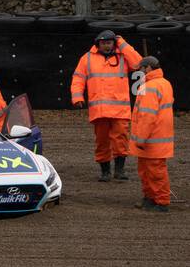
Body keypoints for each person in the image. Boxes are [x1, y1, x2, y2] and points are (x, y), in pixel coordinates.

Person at [70, 29, 143, 181]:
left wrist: (122, 43)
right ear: (98, 44)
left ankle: (119, 171)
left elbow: (138, 63)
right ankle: (105, 172)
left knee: (121, 139)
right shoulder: (87, 58)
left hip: (120, 109)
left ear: (114, 43)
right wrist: (77, 97)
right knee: (102, 141)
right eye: (103, 43)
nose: (106, 46)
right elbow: (78, 78)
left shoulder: (123, 56)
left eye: (109, 42)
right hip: (100, 110)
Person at [130, 56, 175, 212]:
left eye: (141, 68)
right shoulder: (165, 84)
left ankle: (161, 201)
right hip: (157, 138)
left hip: (151, 139)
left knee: (155, 172)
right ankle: (151, 198)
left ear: (148, 68)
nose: (139, 71)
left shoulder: (149, 87)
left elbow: (147, 116)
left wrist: (141, 139)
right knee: (147, 170)